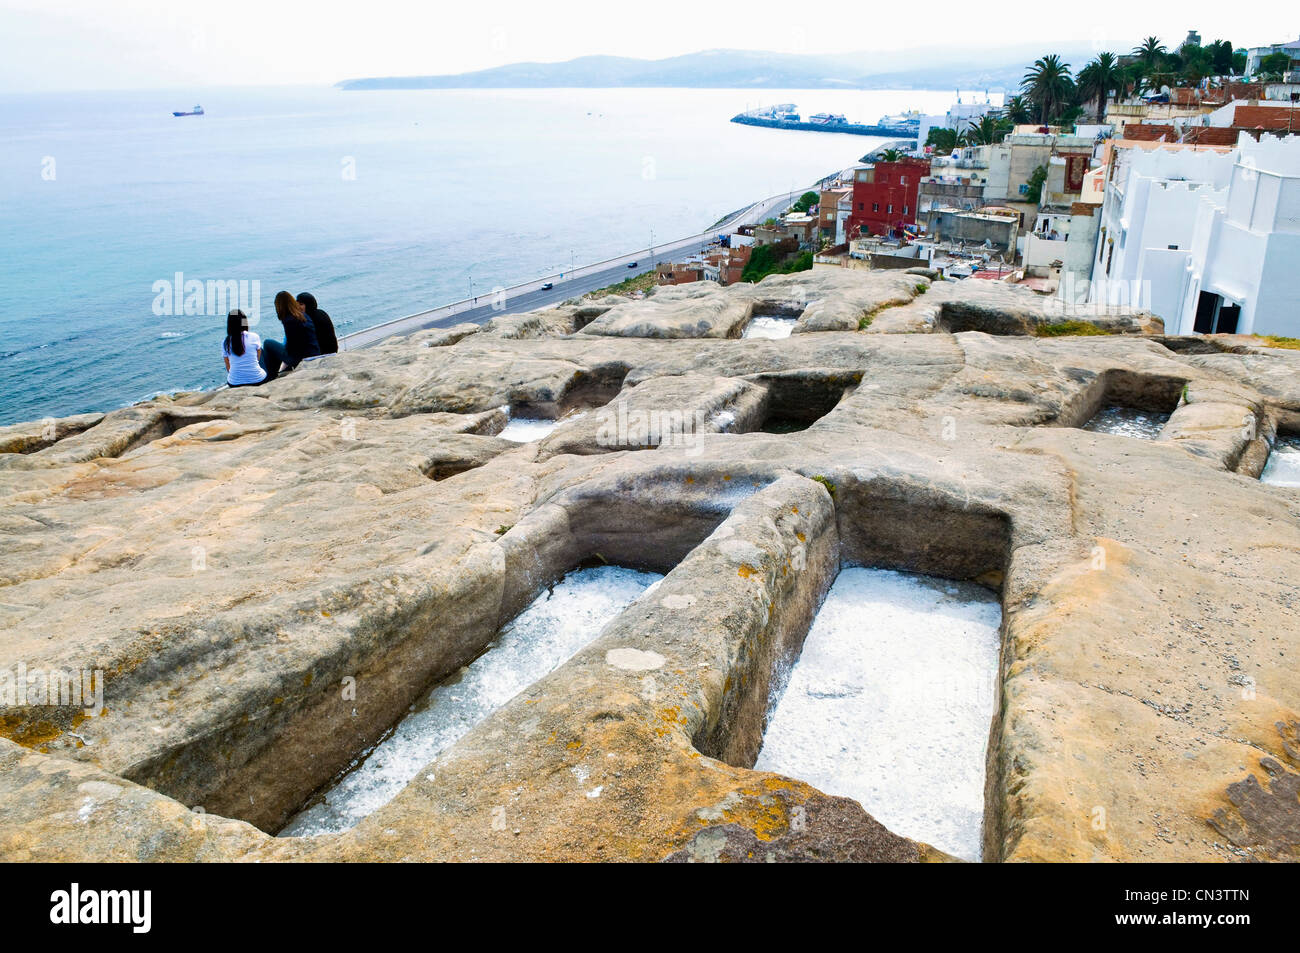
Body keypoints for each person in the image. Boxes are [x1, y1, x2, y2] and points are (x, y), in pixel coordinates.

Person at [261, 291, 320, 381]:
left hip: (301, 359)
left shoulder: (289, 320)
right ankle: (272, 374)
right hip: (314, 353)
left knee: (267, 343)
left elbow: (291, 347)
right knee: (276, 347)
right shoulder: (303, 315)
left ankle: (271, 376)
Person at [222, 309, 266, 387]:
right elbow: (257, 359)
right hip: (257, 380)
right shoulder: (254, 336)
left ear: (229, 324)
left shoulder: (226, 342)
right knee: (260, 350)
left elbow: (228, 367)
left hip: (234, 383)